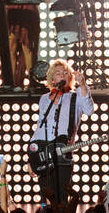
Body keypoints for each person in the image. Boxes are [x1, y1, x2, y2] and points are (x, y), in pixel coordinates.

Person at [28, 60, 92, 205]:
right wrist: (31, 158)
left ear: (70, 78)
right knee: (46, 199)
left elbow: (89, 110)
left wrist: (83, 85)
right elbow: (40, 128)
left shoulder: (76, 96)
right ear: (51, 79)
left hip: (63, 154)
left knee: (61, 199)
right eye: (58, 73)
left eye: (65, 73)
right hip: (43, 153)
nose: (62, 75)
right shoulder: (44, 99)